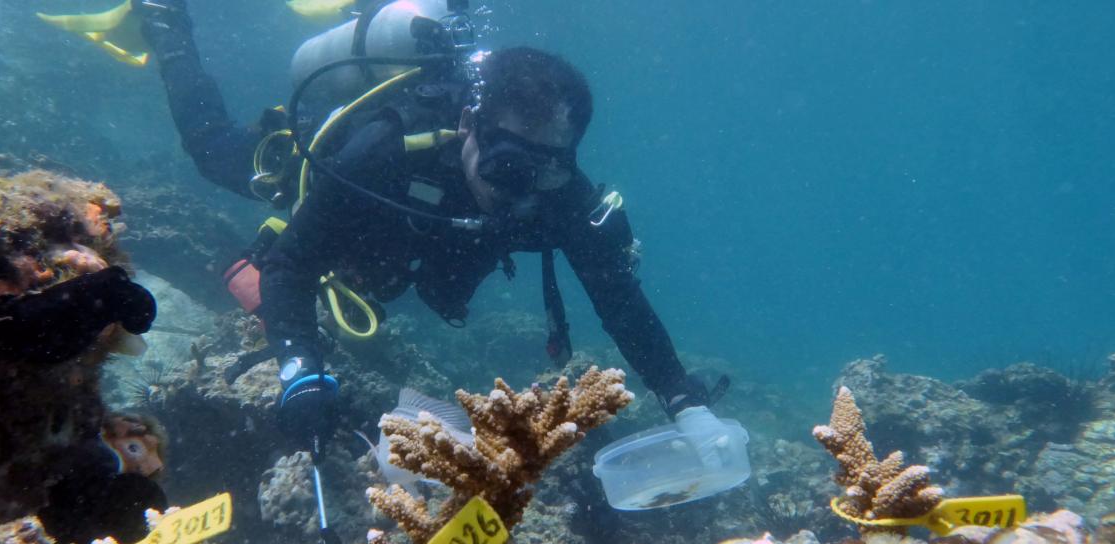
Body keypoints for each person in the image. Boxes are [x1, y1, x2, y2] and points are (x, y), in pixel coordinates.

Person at [130, 0, 727, 444]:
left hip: (391, 258)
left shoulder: (557, 192)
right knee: (212, 152)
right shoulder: (386, 150)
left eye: (548, 169)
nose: (520, 194)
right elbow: (290, 263)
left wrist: (683, 400)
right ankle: (165, 25)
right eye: (507, 166)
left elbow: (619, 299)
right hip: (323, 172)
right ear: (468, 124)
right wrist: (301, 373)